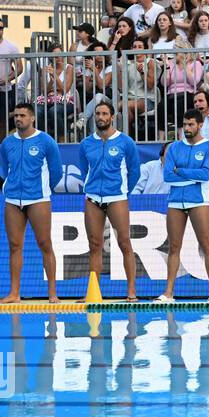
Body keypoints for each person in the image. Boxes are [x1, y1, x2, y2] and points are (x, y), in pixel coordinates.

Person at [0, 102, 62, 303]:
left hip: (38, 199)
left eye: (23, 115)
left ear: (32, 118)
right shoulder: (7, 143)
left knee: (45, 243)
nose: (18, 119)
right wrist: (11, 188)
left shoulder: (46, 141)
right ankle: (14, 293)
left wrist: (43, 190)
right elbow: (4, 170)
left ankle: (52, 293)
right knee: (14, 246)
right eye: (16, 115)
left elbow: (56, 172)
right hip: (13, 200)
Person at [76, 102, 141, 301]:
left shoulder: (125, 142)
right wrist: (91, 188)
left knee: (124, 243)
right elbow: (84, 170)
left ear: (112, 117)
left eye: (105, 113)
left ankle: (131, 292)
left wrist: (122, 192)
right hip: (93, 198)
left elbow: (134, 171)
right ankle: (94, 293)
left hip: (117, 198)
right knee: (94, 245)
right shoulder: (86, 143)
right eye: (97, 113)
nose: (100, 117)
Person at [158, 109, 209, 303]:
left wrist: (180, 171)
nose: (187, 128)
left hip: (199, 200)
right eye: (184, 125)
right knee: (174, 246)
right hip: (175, 201)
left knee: (206, 244)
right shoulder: (175, 147)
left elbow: (206, 174)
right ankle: (168, 292)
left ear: (200, 125)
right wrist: (190, 175)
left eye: (191, 124)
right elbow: (167, 176)